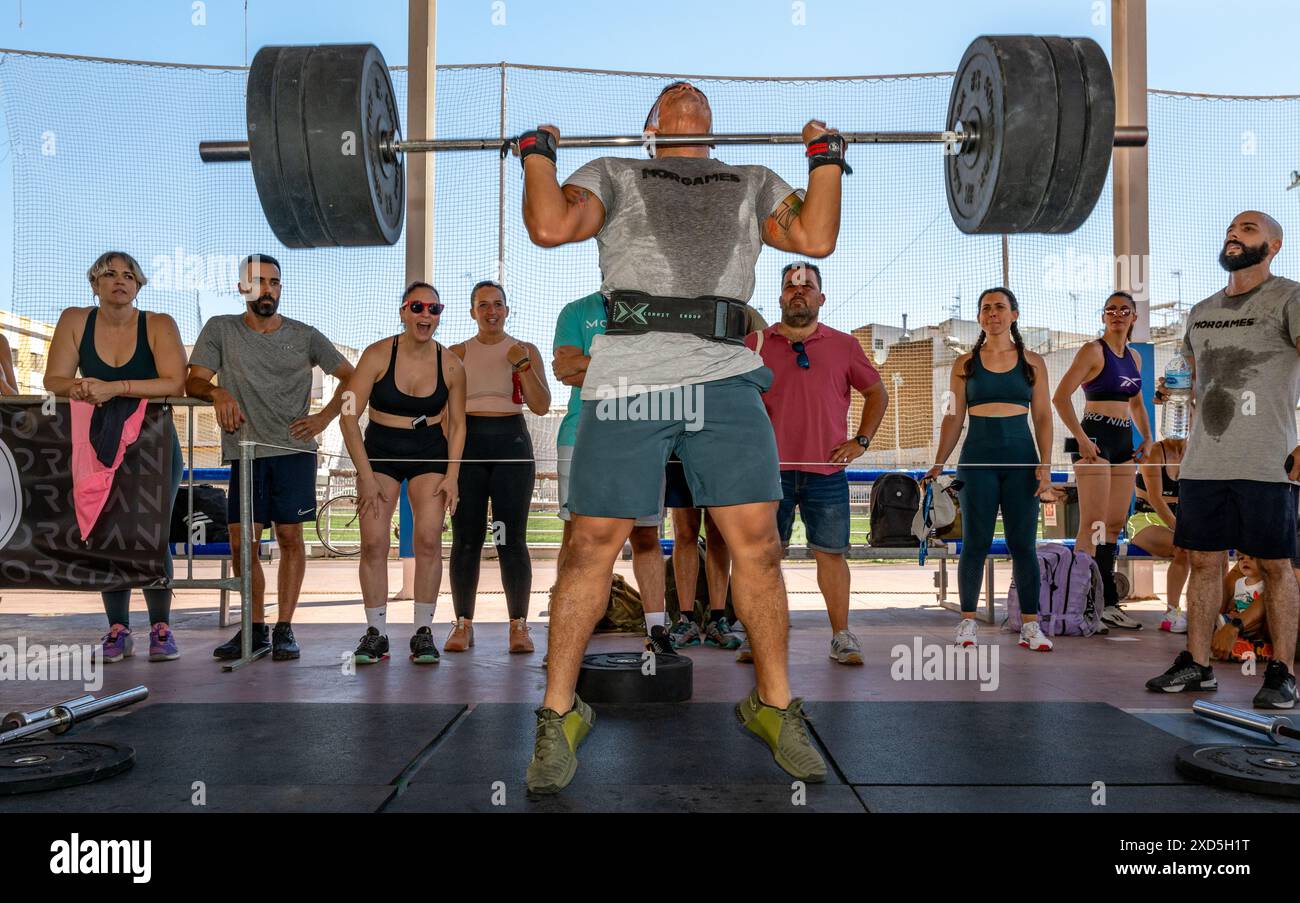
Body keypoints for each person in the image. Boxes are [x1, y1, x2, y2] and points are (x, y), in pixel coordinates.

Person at [518, 78, 845, 792]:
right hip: (629, 375)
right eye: (670, 94)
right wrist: (537, 154)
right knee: (589, 544)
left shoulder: (752, 178)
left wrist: (825, 156)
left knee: (756, 541)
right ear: (650, 128)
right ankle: (558, 710)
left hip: (725, 374)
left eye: (695, 93)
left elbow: (816, 236)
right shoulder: (615, 172)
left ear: (711, 126)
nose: (685, 92)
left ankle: (775, 702)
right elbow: (548, 227)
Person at [1146, 211, 1300, 708]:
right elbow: (1188, 383)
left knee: (1277, 566)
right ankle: (1196, 664)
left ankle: (1281, 673)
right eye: (1231, 228)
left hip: (1266, 460)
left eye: (1249, 229)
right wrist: (1170, 399)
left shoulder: (1289, 297)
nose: (1235, 234)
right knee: (1204, 562)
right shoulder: (1201, 310)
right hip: (1204, 463)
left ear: (1274, 246)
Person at [187, 254, 355, 662]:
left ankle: (285, 628)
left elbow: (352, 376)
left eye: (274, 282)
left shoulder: (304, 335)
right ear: (243, 287)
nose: (268, 289)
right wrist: (217, 392)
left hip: (294, 451)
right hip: (246, 453)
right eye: (259, 281)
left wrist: (324, 417)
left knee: (289, 537)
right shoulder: (221, 330)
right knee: (242, 542)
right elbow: (192, 379)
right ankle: (255, 627)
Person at [43, 251, 187, 662]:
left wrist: (114, 387)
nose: (118, 281)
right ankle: (117, 629)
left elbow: (175, 382)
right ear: (95, 285)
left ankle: (161, 627)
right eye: (109, 274)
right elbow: (53, 379)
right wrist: (83, 388)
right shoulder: (75, 319)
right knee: (107, 527)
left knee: (151, 530)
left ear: (139, 286)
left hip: (153, 441)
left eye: (128, 275)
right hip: (98, 439)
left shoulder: (158, 324)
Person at [745, 261, 888, 665]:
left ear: (821, 298)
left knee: (830, 553)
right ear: (780, 297)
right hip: (766, 473)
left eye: (807, 286)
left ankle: (842, 636)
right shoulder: (753, 344)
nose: (798, 291)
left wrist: (860, 441)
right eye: (791, 286)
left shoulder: (844, 345)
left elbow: (877, 394)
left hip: (826, 472)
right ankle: (757, 636)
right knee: (763, 558)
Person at [925, 287, 1057, 651]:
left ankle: (1031, 626)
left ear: (1015, 314)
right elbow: (953, 417)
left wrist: (1044, 466)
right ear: (980, 317)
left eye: (1000, 307)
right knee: (975, 544)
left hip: (1021, 462)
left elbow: (1044, 417)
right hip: (977, 463)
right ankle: (967, 623)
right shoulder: (964, 363)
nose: (992, 313)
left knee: (1022, 545)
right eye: (985, 308)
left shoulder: (1033, 362)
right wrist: (939, 462)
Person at [339, 282, 466, 665]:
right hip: (380, 452)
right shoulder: (377, 354)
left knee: (428, 540)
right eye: (417, 307)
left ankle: (423, 633)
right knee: (374, 542)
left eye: (434, 308)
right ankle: (375, 633)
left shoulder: (452, 364)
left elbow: (458, 425)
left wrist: (453, 475)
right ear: (403, 312)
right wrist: (364, 474)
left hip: (429, 451)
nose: (425, 315)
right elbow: (348, 416)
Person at [553, 292, 673, 655]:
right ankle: (566, 636)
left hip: (645, 435)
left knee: (646, 536)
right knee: (576, 540)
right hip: (581, 434)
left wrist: (596, 364)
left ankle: (657, 633)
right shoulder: (575, 310)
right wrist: (637, 363)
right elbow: (566, 370)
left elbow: (667, 368)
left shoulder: (659, 309)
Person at [446, 281, 550, 655]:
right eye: (483, 305)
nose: (491, 311)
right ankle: (462, 623)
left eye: (498, 305)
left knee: (510, 538)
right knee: (466, 538)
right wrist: (450, 467)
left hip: (511, 445)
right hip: (469, 445)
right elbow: (446, 415)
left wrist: (522, 365)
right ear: (472, 311)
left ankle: (518, 625)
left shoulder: (525, 350)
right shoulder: (456, 353)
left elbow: (540, 405)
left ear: (507, 309)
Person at [1052, 291, 1155, 630]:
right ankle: (1080, 604)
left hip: (1123, 441)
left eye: (1125, 310)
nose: (1117, 315)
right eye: (1110, 309)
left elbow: (1137, 404)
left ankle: (1107, 602)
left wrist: (1147, 438)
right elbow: (1060, 397)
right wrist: (1080, 439)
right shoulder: (1093, 351)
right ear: (1103, 317)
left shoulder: (1135, 358)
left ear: (1134, 318)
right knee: (1092, 524)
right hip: (1093, 439)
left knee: (1113, 525)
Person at [1126, 436, 1188, 632]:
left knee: (1214, 552)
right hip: (1147, 518)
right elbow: (1155, 498)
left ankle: (1211, 610)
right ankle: (1171, 612)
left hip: (1182, 518)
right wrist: (1181, 529)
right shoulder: (1154, 451)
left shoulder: (1196, 450)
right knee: (1183, 547)